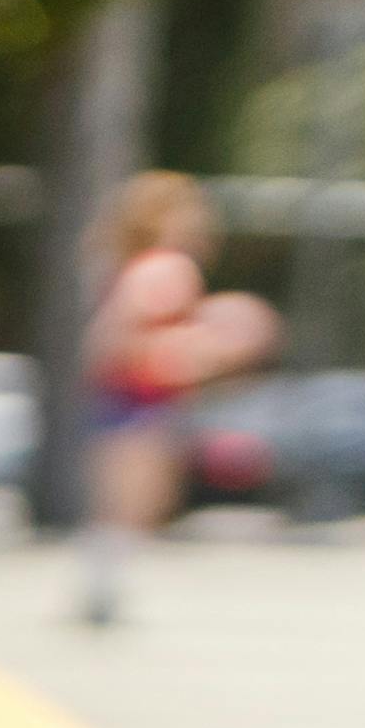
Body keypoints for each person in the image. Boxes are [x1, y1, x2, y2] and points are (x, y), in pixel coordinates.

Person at [77, 168, 276, 625]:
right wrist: (212, 350)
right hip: (137, 403)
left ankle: (102, 594)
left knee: (125, 511)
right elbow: (123, 344)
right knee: (130, 510)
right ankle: (102, 599)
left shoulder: (135, 265)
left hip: (127, 402)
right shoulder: (167, 268)